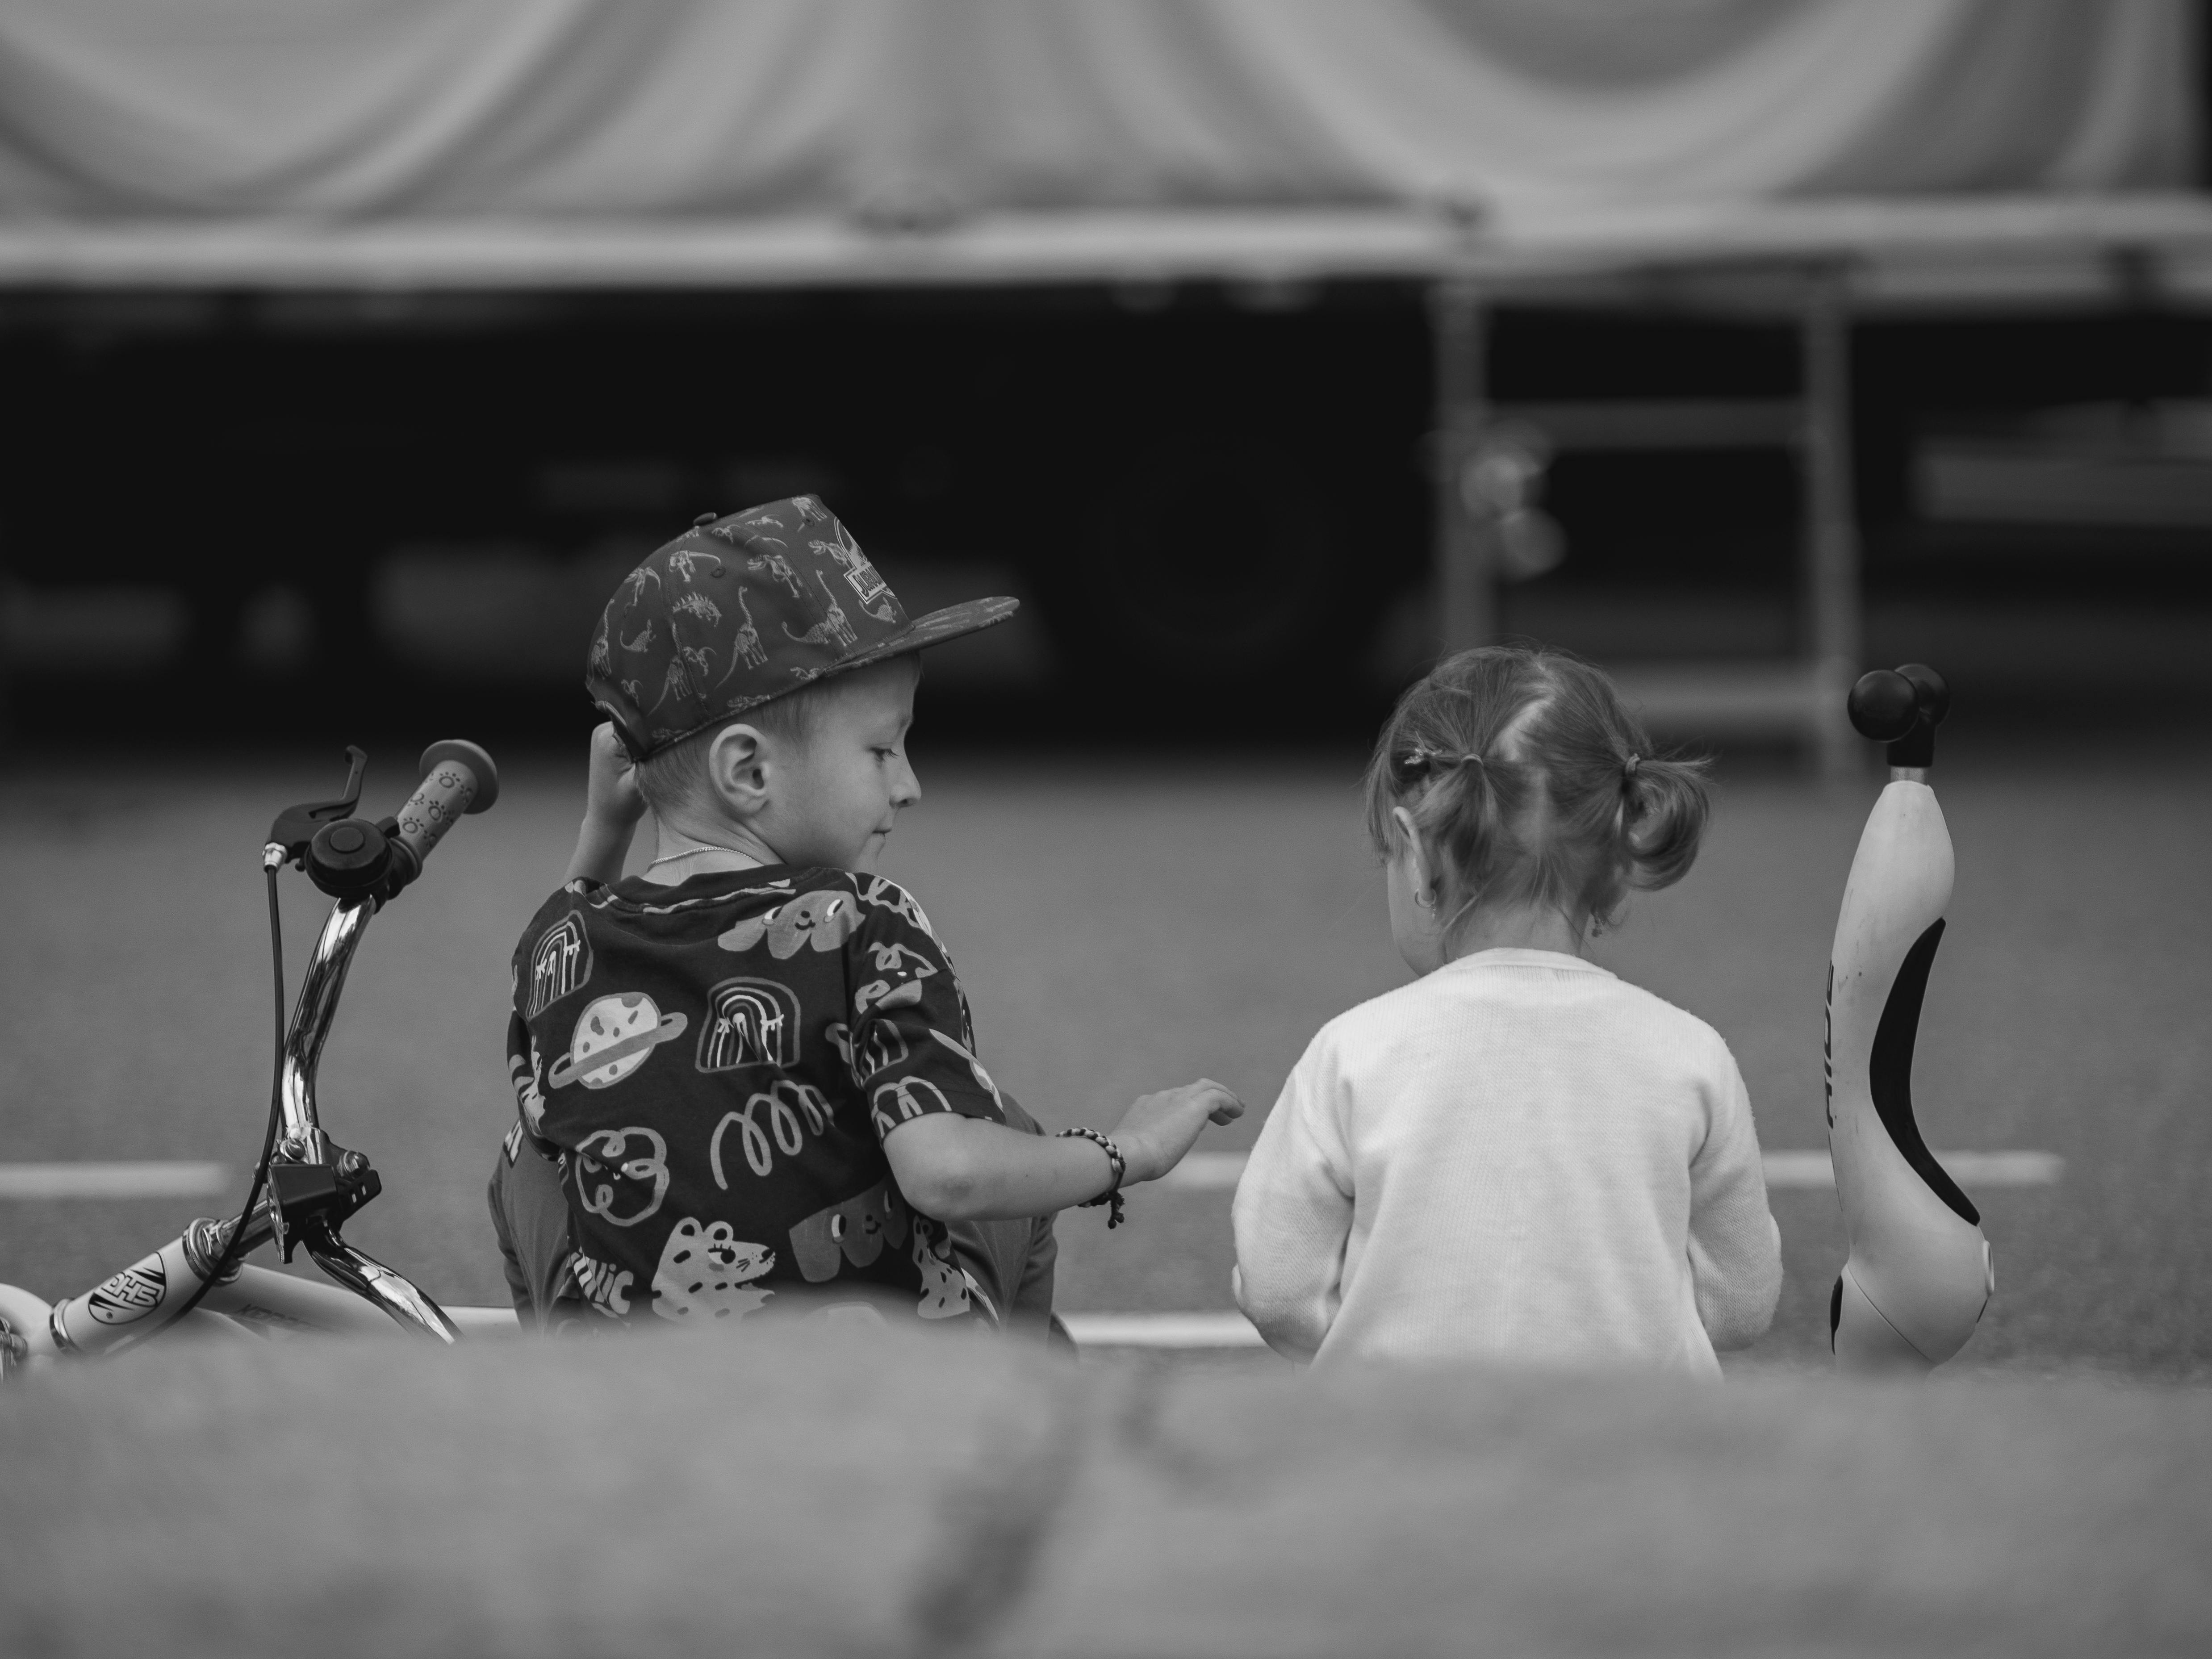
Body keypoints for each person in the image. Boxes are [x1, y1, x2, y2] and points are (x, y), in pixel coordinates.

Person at [489, 497, 1241, 1335]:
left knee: (528, 1158)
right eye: (883, 749)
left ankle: (557, 1385)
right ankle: (1018, 1415)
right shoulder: (861, 923)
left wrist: (606, 828)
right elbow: (947, 1176)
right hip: (870, 1385)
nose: (908, 785)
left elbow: (562, 975)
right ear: (746, 771)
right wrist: (1124, 1153)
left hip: (646, 1387)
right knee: (996, 1122)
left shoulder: (561, 936)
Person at [1231, 646, 1781, 1374]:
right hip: (1642, 1462)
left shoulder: (1352, 1052)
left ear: (1416, 849)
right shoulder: (1690, 1054)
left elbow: (1276, 1287)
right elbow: (1739, 1304)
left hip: (1397, 1457)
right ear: (1619, 864)